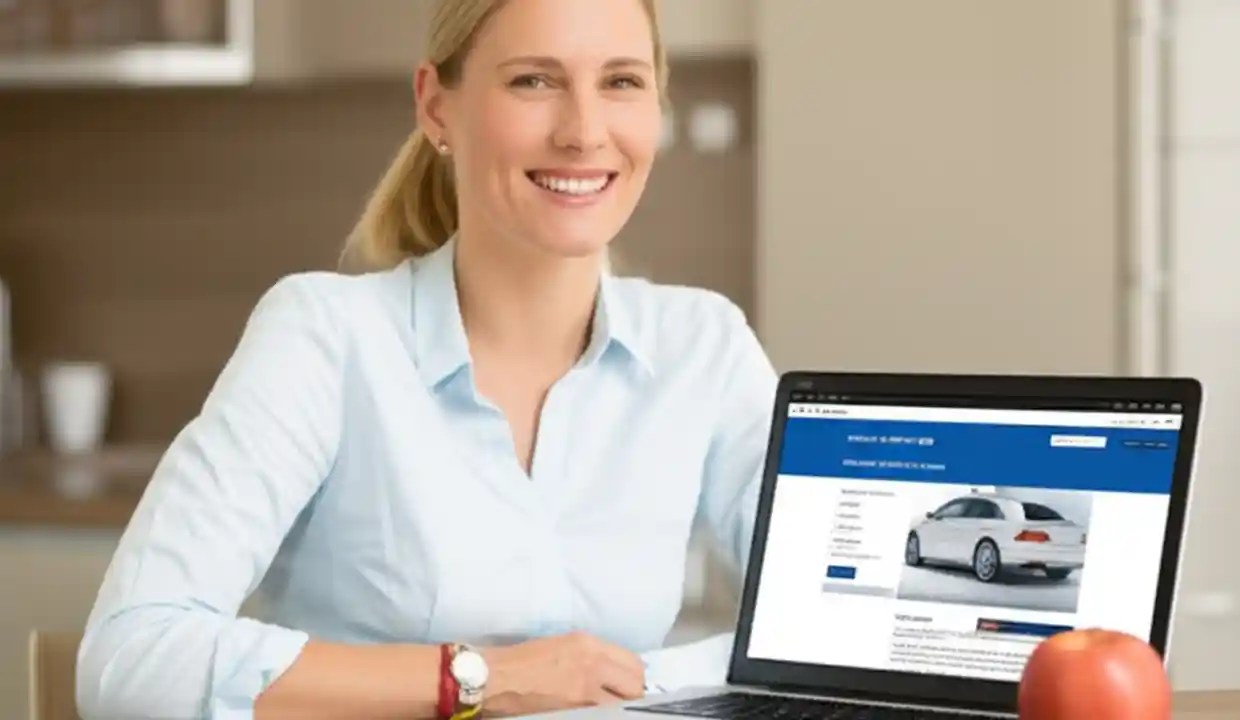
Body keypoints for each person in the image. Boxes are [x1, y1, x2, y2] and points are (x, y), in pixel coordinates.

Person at [75, 0, 776, 718]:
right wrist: (475, 678)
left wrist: (636, 681)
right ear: (437, 108)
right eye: (534, 81)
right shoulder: (327, 337)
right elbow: (132, 660)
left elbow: (846, 637)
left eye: (621, 82)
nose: (584, 132)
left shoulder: (704, 348)